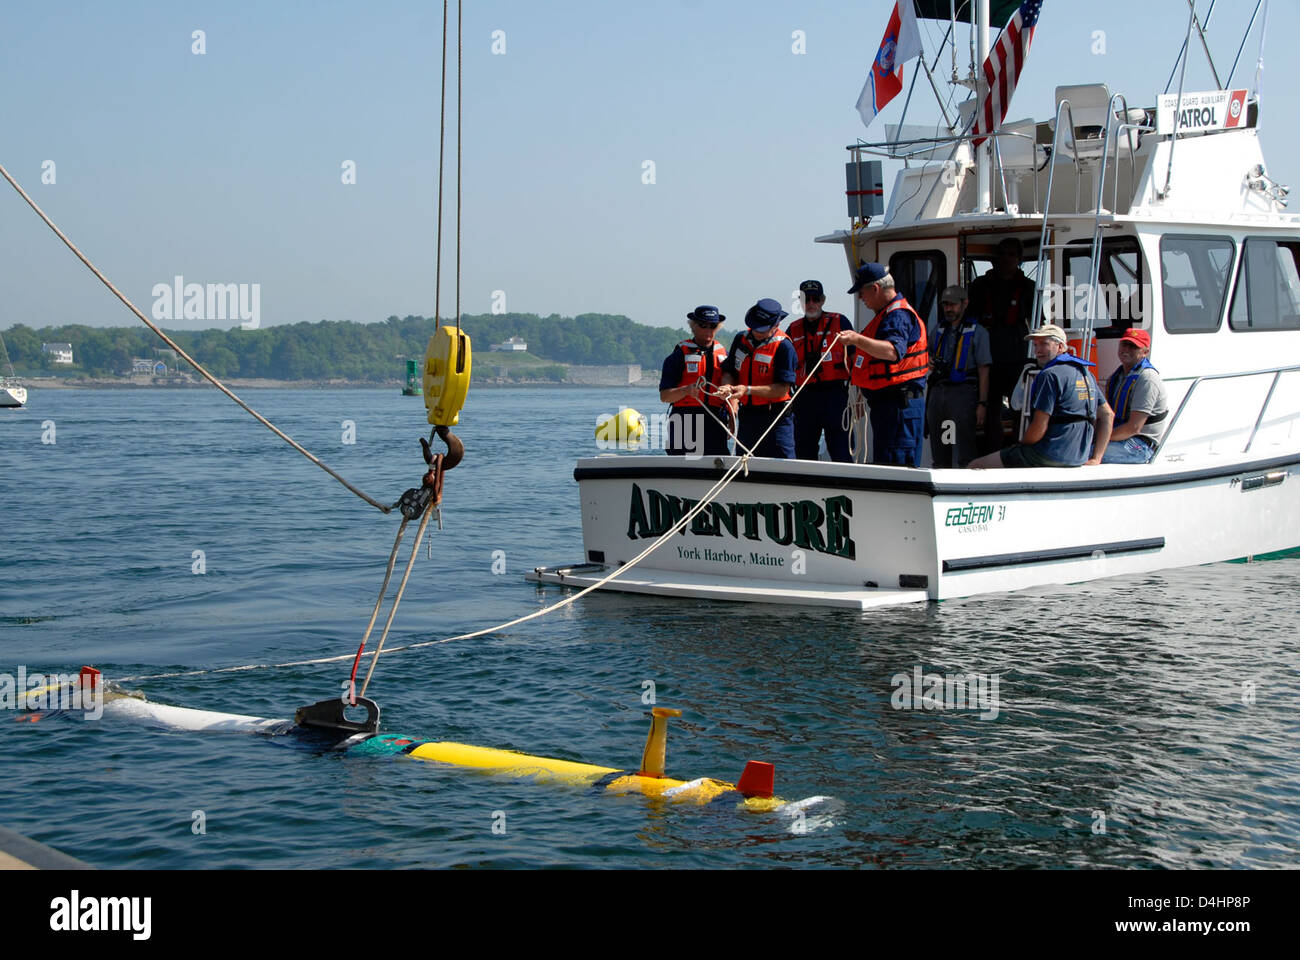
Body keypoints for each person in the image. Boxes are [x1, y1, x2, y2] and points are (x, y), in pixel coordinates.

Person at [969, 324, 1113, 468]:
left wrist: (1021, 445)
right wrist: (1096, 458)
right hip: (1078, 457)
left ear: (1061, 346)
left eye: (1044, 344)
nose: (1038, 351)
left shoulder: (1050, 375)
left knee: (975, 465)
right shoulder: (1087, 374)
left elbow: (1039, 426)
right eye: (1036, 345)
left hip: (1048, 454)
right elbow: (1108, 415)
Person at [836, 263, 929, 466]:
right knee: (886, 463)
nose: (861, 299)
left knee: (897, 467)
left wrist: (856, 339)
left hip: (899, 409)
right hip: (889, 407)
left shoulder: (898, 315)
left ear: (875, 288)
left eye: (862, 293)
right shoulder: (886, 314)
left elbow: (892, 351)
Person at [968, 236, 1037, 453]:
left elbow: (1038, 321)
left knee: (1020, 409)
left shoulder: (1029, 287)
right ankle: (993, 455)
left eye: (1011, 254)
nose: (1006, 258)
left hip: (1018, 355)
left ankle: (1018, 452)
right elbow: (970, 321)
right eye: (1002, 254)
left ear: (1019, 258)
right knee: (991, 411)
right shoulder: (980, 286)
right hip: (989, 355)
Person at [717, 299, 797, 458]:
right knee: (745, 462)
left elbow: (782, 389)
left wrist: (746, 390)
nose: (757, 332)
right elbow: (729, 371)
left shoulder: (784, 347)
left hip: (776, 418)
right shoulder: (740, 339)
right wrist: (726, 386)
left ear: (777, 325)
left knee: (782, 464)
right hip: (747, 417)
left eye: (762, 328)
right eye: (754, 326)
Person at [787, 279, 853, 462]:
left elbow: (856, 359)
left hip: (835, 396)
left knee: (841, 449)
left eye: (815, 299)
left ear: (823, 300)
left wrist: (859, 396)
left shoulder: (840, 322)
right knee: (803, 450)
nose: (811, 304)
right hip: (805, 397)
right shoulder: (793, 329)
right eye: (806, 299)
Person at [926, 285, 992, 467]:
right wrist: (929, 361)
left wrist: (982, 404)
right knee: (940, 448)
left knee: (964, 448)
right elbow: (926, 355)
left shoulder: (978, 333)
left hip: (963, 394)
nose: (948, 309)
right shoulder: (938, 330)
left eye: (953, 305)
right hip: (938, 393)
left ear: (965, 304)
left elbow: (984, 370)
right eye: (945, 305)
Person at [658, 305, 732, 457]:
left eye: (713, 326)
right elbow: (665, 396)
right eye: (703, 325)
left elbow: (734, 389)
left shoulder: (724, 355)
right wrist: (686, 390)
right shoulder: (678, 356)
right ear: (693, 326)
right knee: (680, 464)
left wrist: (732, 415)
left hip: (716, 418)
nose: (708, 330)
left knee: (717, 462)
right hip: (684, 418)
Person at [1101, 328, 1168, 464]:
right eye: (1124, 344)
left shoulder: (1147, 378)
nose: (1126, 349)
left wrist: (1100, 438)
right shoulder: (1118, 376)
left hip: (1140, 445)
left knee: (1084, 453)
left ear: (1145, 352)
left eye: (1133, 346)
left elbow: (1134, 427)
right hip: (1119, 438)